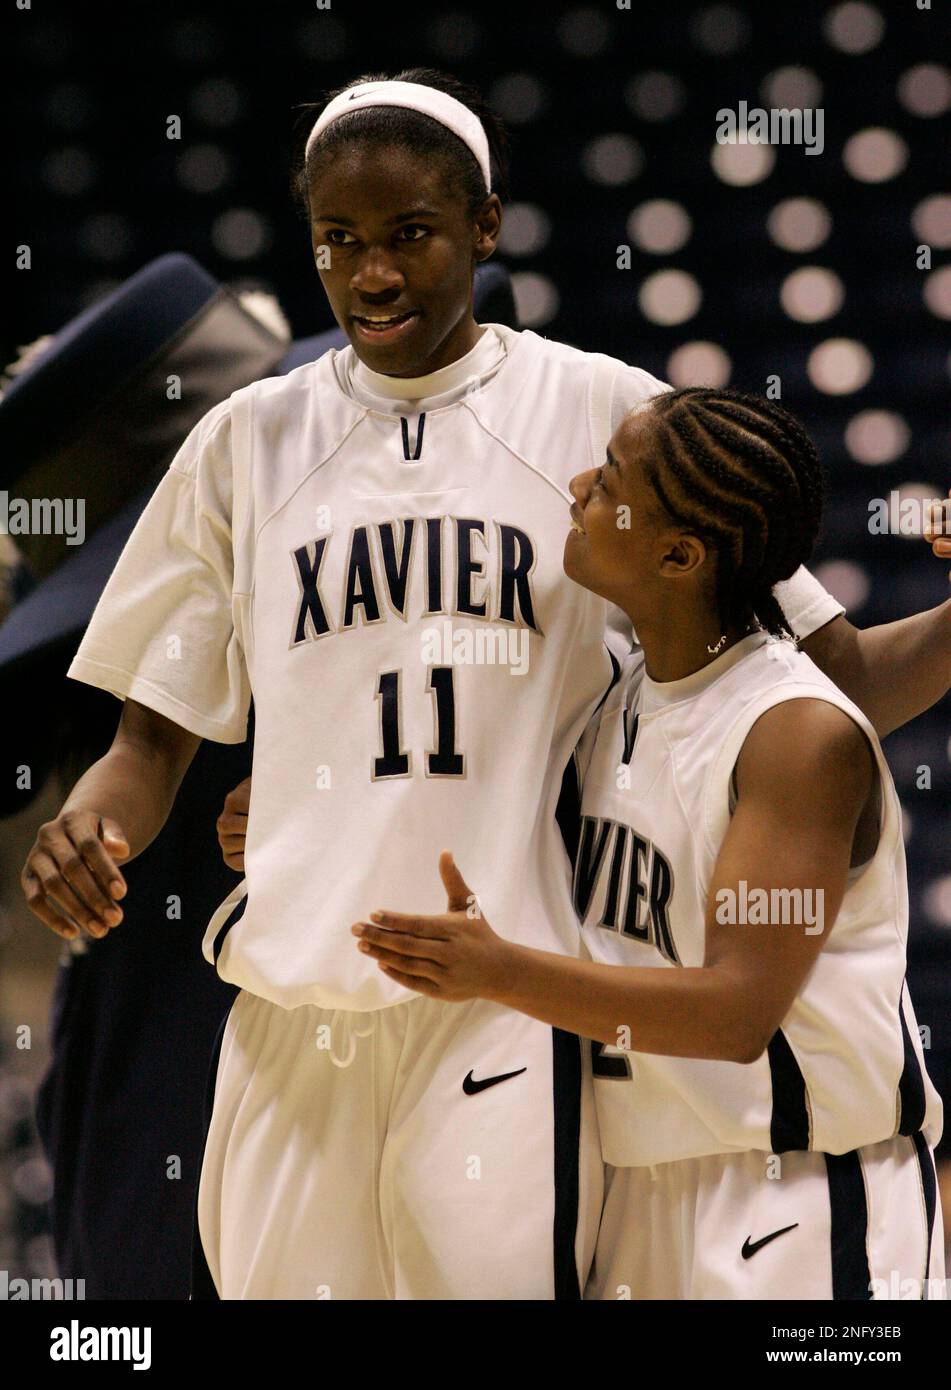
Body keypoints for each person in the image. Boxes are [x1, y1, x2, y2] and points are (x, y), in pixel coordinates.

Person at [21, 68, 950, 1300]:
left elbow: (823, 677)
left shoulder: (610, 411)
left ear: (486, 226)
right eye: (338, 241)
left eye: (408, 233)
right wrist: (91, 829)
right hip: (288, 1005)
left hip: (507, 1016)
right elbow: (149, 747)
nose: (373, 274)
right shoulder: (241, 442)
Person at [352, 387, 947, 1300]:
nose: (580, 485)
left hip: (801, 1199)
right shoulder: (616, 701)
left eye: (612, 480)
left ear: (677, 552)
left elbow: (735, 1013)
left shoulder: (791, 733)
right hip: (640, 1183)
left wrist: (498, 970)